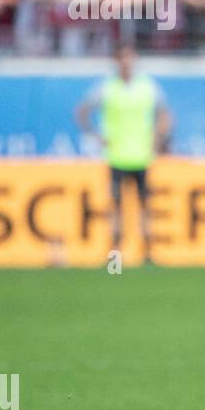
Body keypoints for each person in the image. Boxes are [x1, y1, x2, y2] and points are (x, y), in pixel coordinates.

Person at [75, 45, 173, 263]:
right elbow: (82, 111)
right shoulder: (107, 87)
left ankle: (148, 253)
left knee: (145, 205)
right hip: (117, 155)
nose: (126, 63)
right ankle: (115, 254)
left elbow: (166, 115)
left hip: (142, 155)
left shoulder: (147, 86)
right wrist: (95, 135)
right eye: (123, 59)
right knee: (116, 207)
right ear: (117, 61)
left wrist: (157, 139)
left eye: (130, 59)